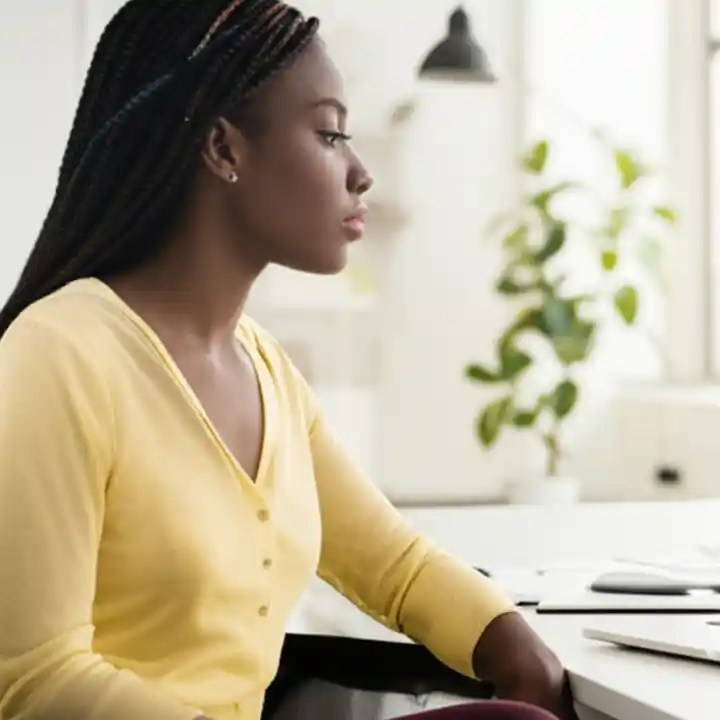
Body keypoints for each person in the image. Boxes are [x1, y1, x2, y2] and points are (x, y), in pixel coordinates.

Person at [0, 1, 573, 719]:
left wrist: (511, 642)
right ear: (224, 149)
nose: (361, 173)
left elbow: (392, 564)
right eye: (330, 134)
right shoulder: (58, 354)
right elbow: (38, 679)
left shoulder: (266, 371)